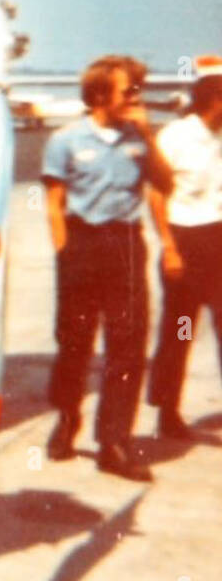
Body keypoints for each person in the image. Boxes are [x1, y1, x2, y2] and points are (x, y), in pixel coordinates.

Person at [42, 54, 174, 481]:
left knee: (129, 343)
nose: (136, 97)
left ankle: (113, 441)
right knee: (74, 341)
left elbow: (166, 183)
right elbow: (54, 205)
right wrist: (65, 252)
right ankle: (66, 418)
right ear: (100, 94)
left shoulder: (137, 138)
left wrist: (149, 137)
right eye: (128, 90)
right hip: (82, 244)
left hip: (125, 245)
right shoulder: (65, 140)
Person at [145, 64, 222, 439]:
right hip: (185, 243)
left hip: (219, 240)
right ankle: (167, 410)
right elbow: (156, 193)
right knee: (181, 329)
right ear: (215, 101)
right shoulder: (175, 137)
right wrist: (169, 248)